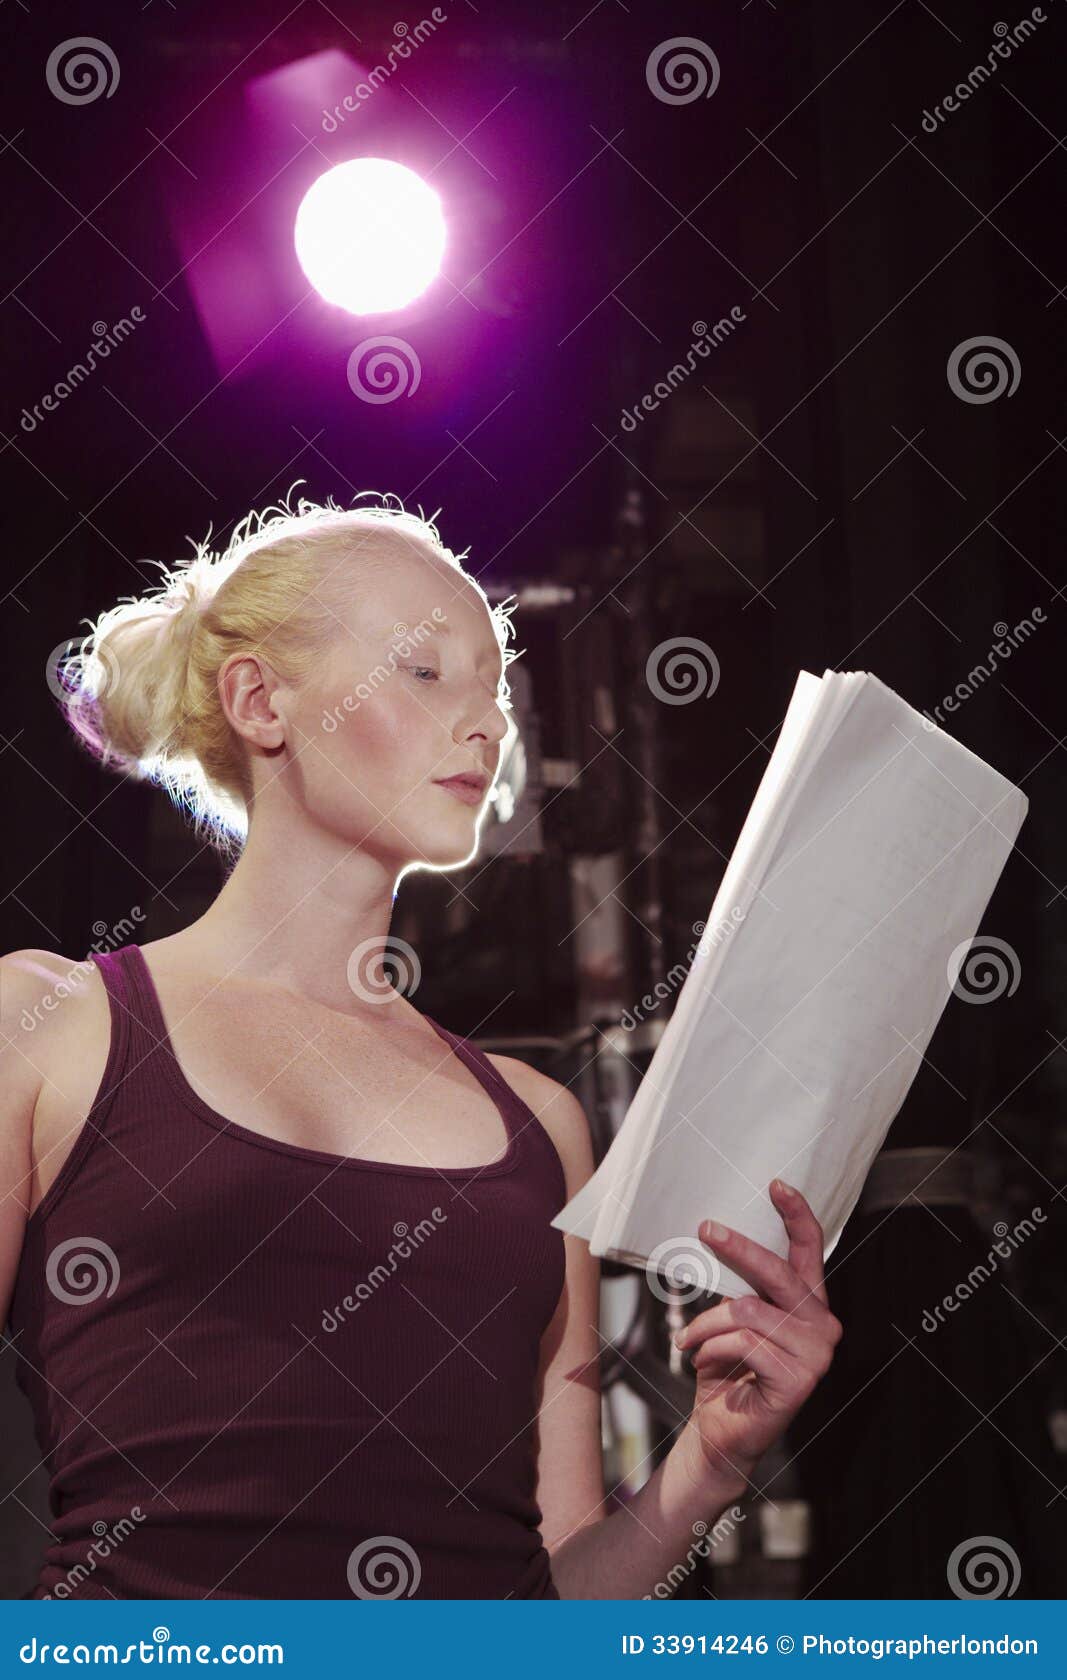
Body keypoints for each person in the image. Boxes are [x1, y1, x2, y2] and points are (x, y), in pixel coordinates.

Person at [0, 487, 842, 1599]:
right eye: (425, 669)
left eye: (496, 690)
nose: (486, 725)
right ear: (260, 701)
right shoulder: (49, 1022)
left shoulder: (539, 1124)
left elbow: (561, 1597)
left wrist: (708, 1463)